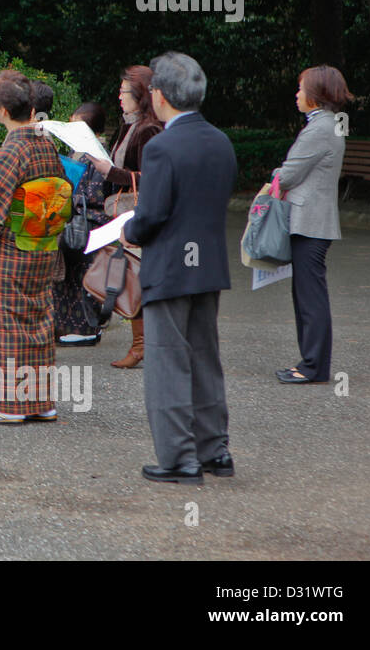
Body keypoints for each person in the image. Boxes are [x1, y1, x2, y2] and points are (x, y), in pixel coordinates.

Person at [121, 52, 237, 484]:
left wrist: (128, 228)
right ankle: (215, 451)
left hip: (170, 266)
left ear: (161, 96)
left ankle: (178, 459)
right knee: (206, 359)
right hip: (207, 265)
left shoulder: (162, 146)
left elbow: (151, 216)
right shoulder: (220, 140)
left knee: (168, 363)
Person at [0, 70, 72, 424]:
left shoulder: (10, 154)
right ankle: (41, 402)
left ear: (0, 110)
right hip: (44, 242)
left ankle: (10, 405)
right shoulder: (46, 145)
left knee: (7, 322)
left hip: (13, 250)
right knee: (39, 320)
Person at [273, 66, 352, 384]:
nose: (297, 94)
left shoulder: (320, 129)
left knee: (310, 297)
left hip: (310, 222)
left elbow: (290, 173)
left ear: (316, 95)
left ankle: (313, 366)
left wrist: (276, 175)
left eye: (301, 88)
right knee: (308, 294)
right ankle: (310, 362)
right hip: (313, 221)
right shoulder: (325, 125)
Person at [87, 65, 163, 369]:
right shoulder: (128, 124)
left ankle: (143, 345)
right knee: (132, 276)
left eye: (124, 92)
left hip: (136, 212)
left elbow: (150, 177)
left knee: (135, 277)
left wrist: (110, 171)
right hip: (121, 211)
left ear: (140, 95)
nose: (119, 97)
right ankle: (142, 344)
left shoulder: (149, 129)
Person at [53, 102, 111, 347]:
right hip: (75, 221)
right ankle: (66, 326)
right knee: (67, 277)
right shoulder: (79, 152)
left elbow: (97, 195)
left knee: (86, 278)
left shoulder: (101, 155)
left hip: (91, 224)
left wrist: (68, 193)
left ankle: (87, 328)